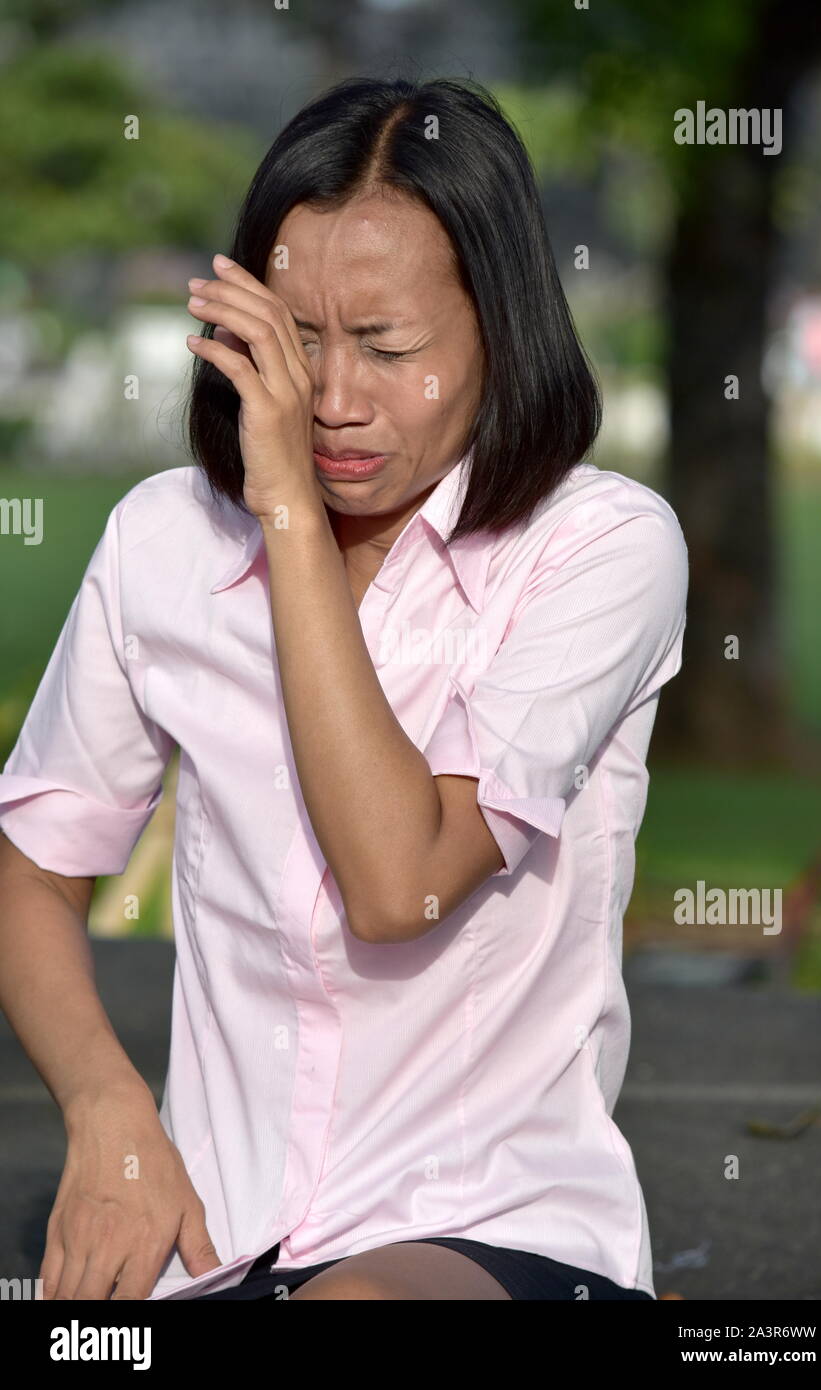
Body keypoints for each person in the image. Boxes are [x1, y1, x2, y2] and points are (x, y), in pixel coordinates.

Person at [0, 75, 687, 1301]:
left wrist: (287, 518)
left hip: (485, 1223)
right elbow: (34, 872)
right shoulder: (164, 540)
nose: (329, 401)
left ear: (500, 322)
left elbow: (397, 882)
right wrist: (109, 1113)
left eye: (386, 347)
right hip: (215, 1232)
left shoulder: (601, 550)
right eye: (295, 339)